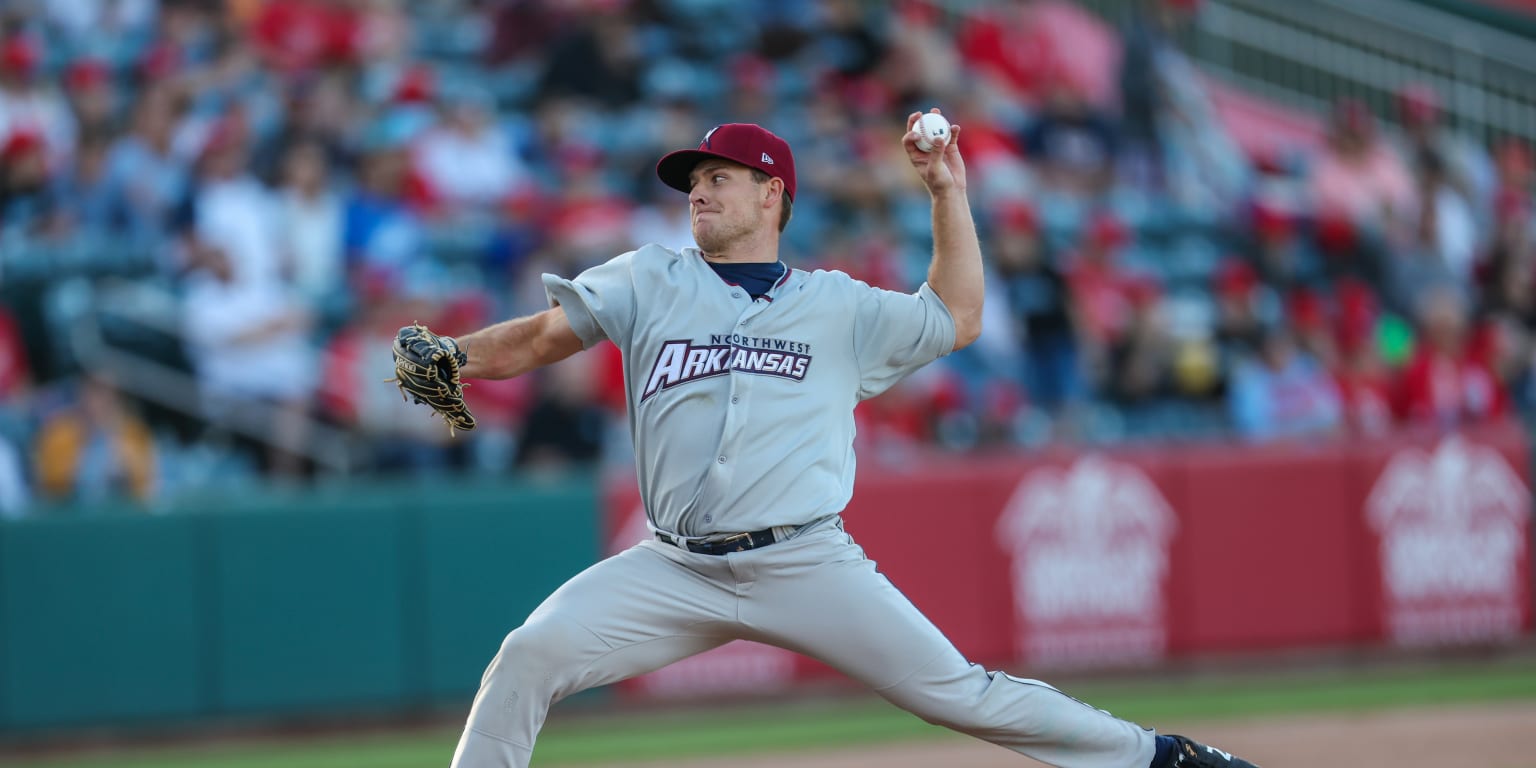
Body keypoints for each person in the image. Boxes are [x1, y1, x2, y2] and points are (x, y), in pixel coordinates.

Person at [411, 117, 1259, 768]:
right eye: (693, 182)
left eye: (718, 178)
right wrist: (457, 356)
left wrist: (945, 194)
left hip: (804, 561)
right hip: (671, 567)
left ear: (772, 193)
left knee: (961, 696)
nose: (698, 194)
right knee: (527, 656)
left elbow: (956, 316)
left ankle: (1157, 757)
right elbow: (540, 338)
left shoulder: (839, 307)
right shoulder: (648, 278)